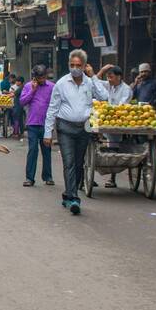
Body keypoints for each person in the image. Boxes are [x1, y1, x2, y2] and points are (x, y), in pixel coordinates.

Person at [44, 49, 104, 215]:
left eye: (78, 65)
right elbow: (52, 108)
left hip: (84, 128)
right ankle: (74, 199)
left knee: (78, 165)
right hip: (65, 128)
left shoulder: (90, 82)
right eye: (72, 65)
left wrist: (93, 76)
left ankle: (67, 194)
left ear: (84, 66)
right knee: (69, 162)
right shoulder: (61, 84)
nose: (75, 68)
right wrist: (47, 133)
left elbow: (104, 96)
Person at [19, 65, 55, 186]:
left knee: (47, 151)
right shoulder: (28, 86)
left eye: (43, 77)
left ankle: (48, 176)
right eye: (39, 78)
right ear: (35, 77)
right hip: (32, 124)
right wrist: (32, 91)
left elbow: (54, 104)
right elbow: (22, 101)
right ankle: (29, 178)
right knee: (32, 150)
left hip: (46, 124)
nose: (42, 80)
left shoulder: (51, 87)